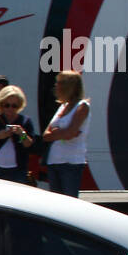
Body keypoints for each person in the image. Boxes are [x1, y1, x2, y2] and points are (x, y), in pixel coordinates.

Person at [41, 69, 90, 197]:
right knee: (56, 201)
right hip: (54, 161)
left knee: (69, 201)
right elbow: (46, 135)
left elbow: (70, 133)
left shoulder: (82, 106)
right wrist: (63, 133)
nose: (56, 86)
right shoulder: (62, 107)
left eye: (60, 83)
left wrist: (58, 133)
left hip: (71, 162)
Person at [0, 85, 37, 183]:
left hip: (17, 171)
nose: (10, 109)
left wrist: (22, 133)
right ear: (1, 104)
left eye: (14, 106)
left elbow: (30, 146)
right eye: (7, 105)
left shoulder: (25, 121)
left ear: (19, 106)